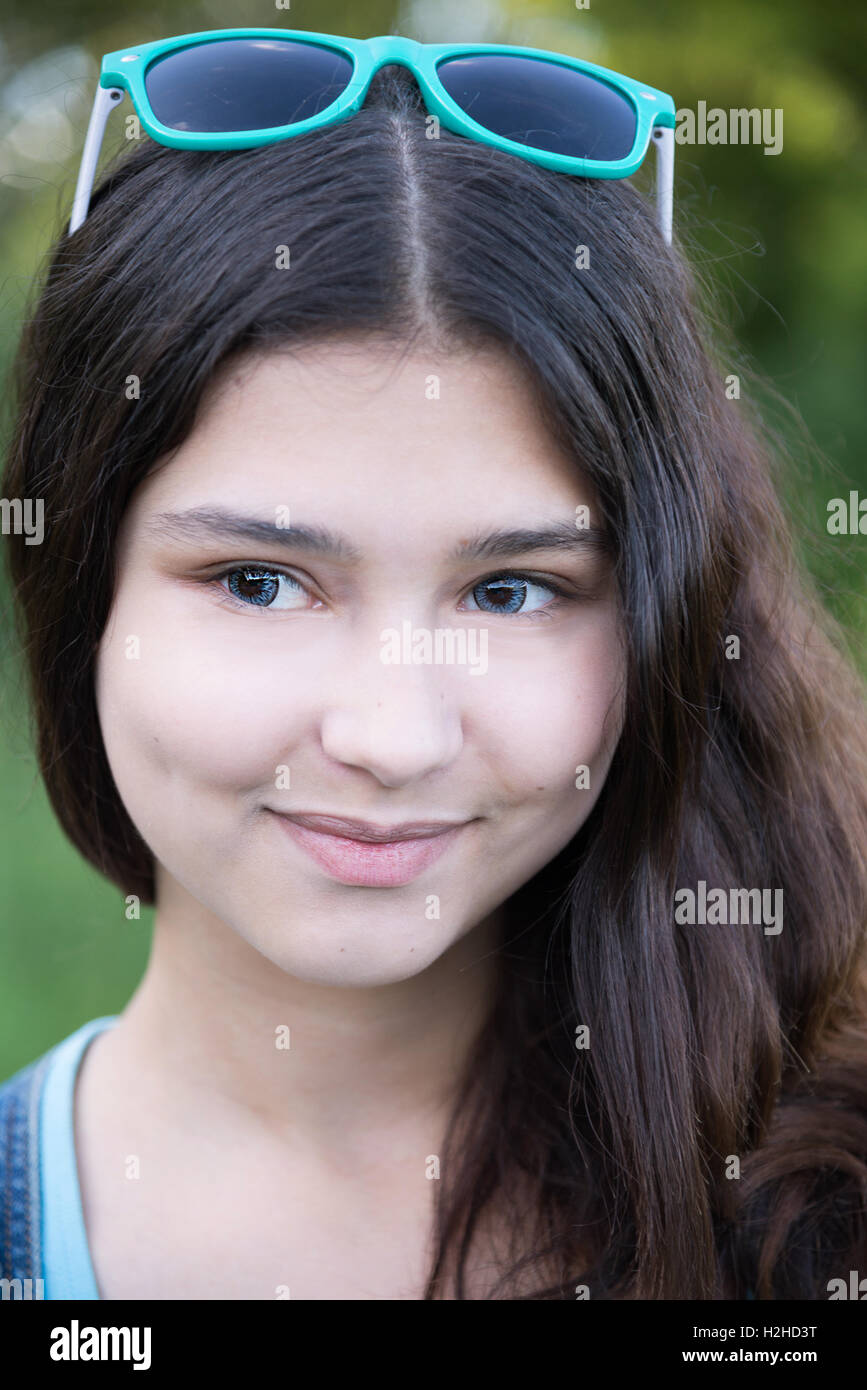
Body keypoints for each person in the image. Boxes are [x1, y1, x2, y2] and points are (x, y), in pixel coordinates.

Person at [1, 44, 865, 1302]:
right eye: (259, 580)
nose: (393, 737)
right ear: (82, 584)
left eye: (511, 591)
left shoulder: (820, 1200)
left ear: (661, 621)